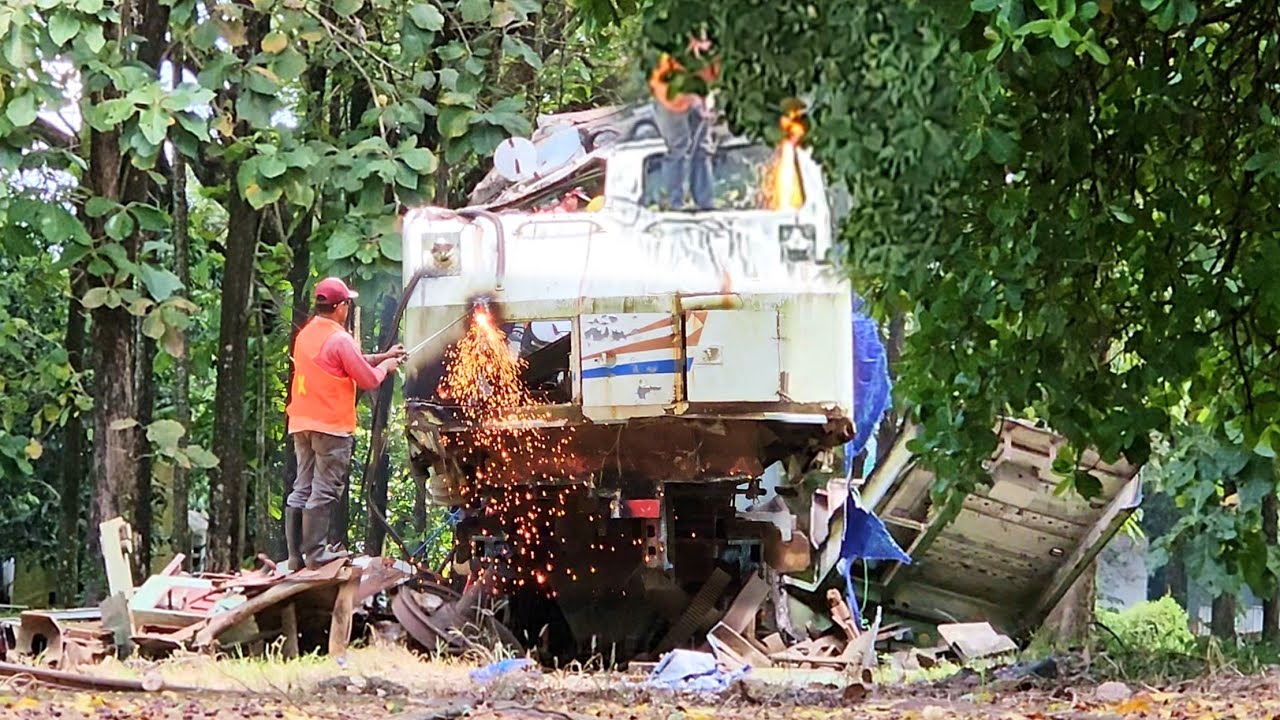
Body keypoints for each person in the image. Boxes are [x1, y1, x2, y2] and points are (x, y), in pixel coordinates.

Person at [284, 277, 406, 570]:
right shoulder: (339, 338)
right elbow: (365, 377)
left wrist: (382, 356)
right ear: (340, 307)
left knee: (303, 485)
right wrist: (385, 368)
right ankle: (316, 553)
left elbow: (344, 361)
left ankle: (295, 556)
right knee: (324, 488)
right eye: (347, 304)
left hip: (302, 423)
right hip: (330, 427)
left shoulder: (308, 334)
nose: (348, 309)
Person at [648, 35, 720, 211]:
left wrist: (707, 102)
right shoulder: (677, 43)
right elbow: (669, 77)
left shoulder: (716, 47)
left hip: (696, 99)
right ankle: (675, 204)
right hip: (670, 99)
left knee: (702, 148)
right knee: (678, 147)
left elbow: (713, 78)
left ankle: (705, 202)